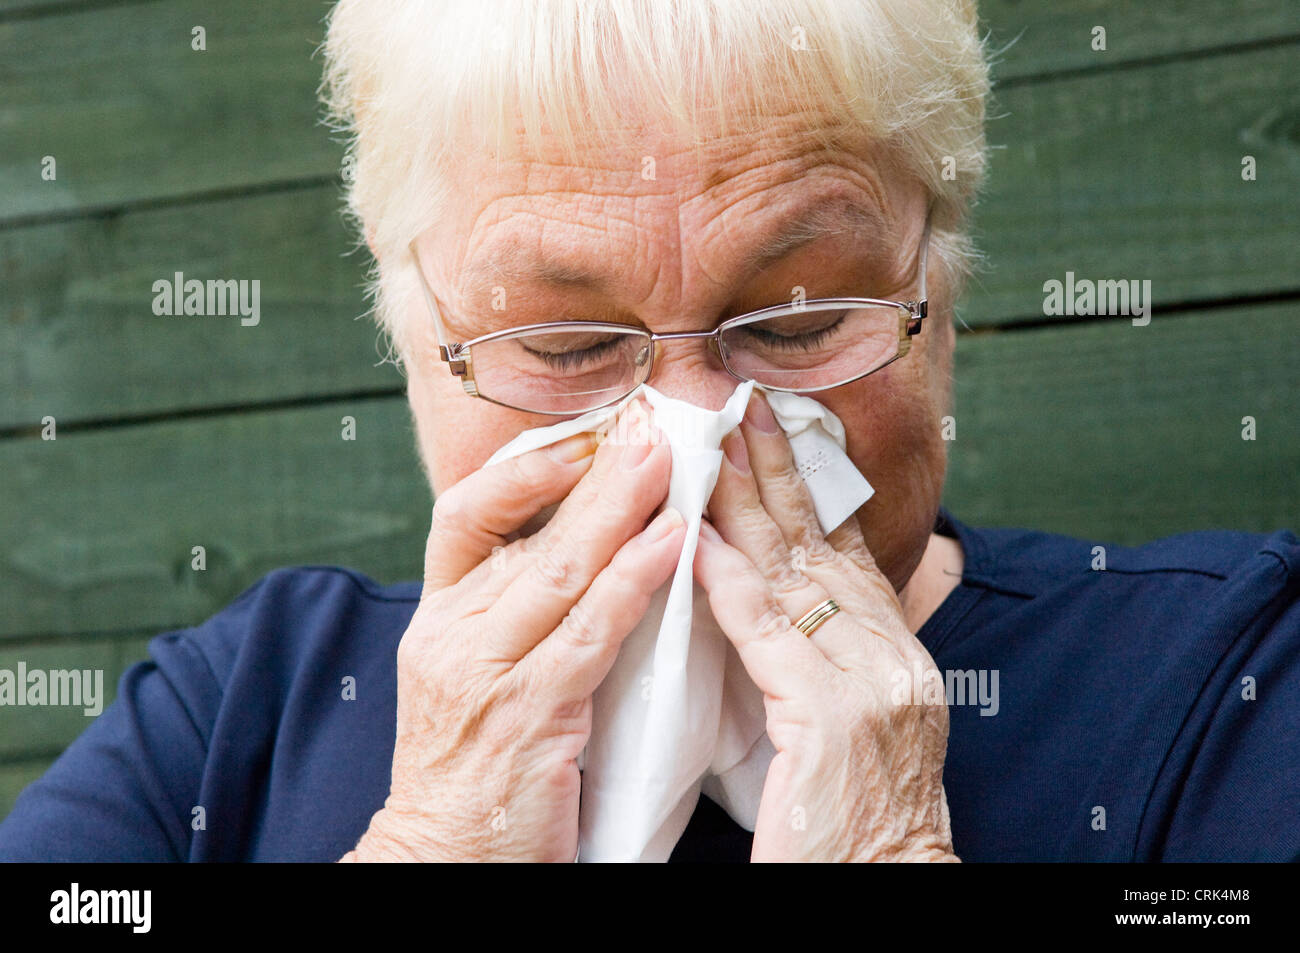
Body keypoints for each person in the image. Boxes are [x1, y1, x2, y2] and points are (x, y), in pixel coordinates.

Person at [2, 0, 1296, 863]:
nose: (690, 426)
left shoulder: (1222, 689)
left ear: (938, 296)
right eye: (566, 345)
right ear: (414, 346)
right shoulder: (241, 715)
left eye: (795, 324)